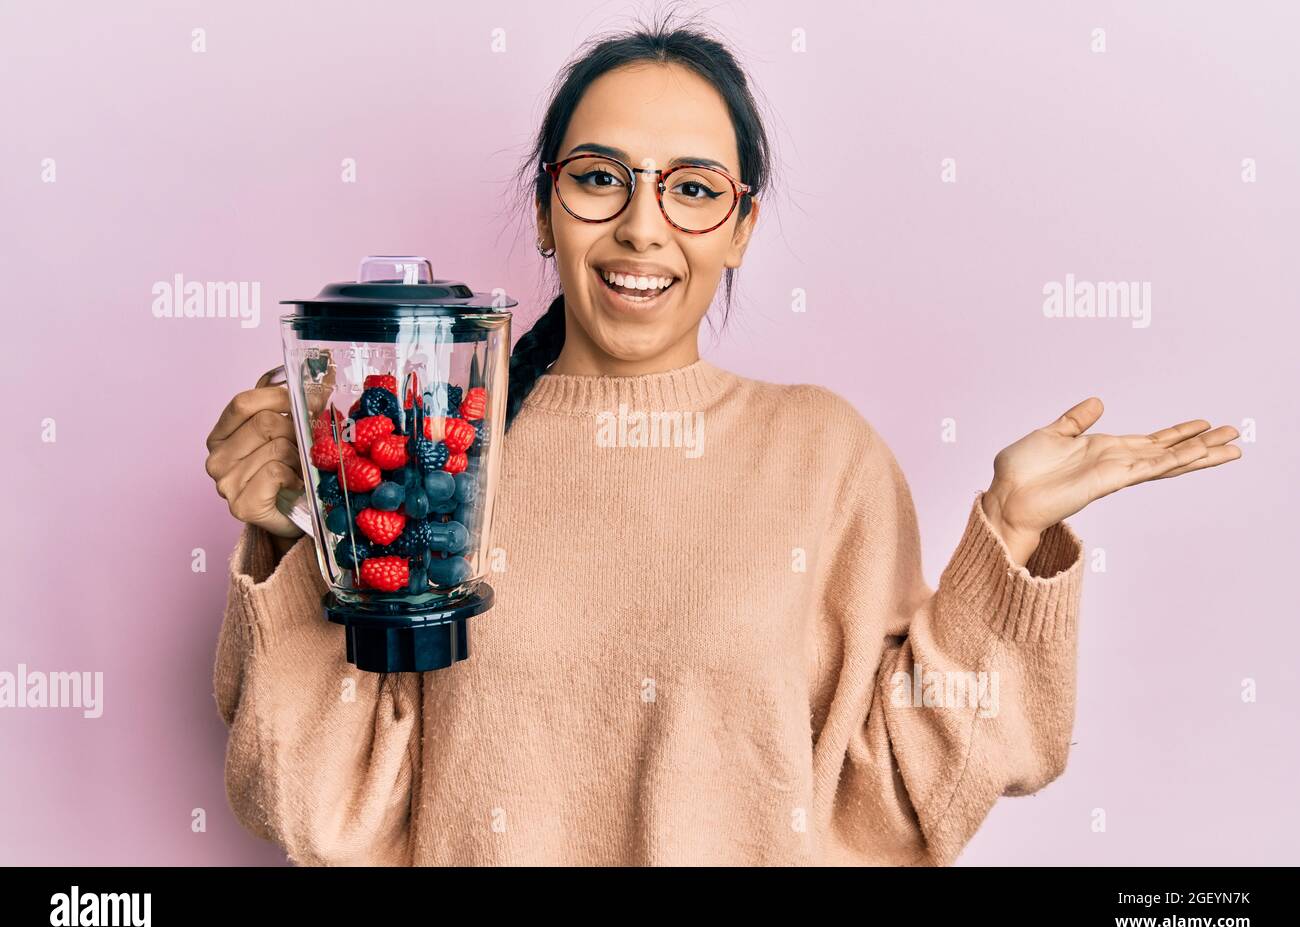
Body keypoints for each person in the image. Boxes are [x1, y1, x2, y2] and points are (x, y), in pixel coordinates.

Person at [203, 14, 1242, 866]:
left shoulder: (824, 456)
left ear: (741, 225)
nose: (643, 228)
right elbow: (319, 803)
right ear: (543, 208)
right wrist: (299, 539)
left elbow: (901, 797)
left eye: (693, 189)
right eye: (599, 177)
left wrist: (1006, 535)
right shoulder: (438, 470)